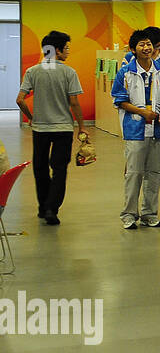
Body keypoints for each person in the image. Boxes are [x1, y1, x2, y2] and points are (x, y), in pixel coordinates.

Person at [15, 31, 86, 225]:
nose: (68, 52)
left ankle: (42, 207)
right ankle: (51, 209)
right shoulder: (69, 72)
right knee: (59, 168)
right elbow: (74, 102)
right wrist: (81, 126)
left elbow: (20, 100)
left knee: (40, 168)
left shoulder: (33, 71)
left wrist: (31, 118)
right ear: (57, 50)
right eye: (67, 48)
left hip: (40, 129)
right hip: (63, 128)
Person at [111, 29, 160, 229]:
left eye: (149, 44)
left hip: (157, 129)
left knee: (154, 173)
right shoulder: (125, 72)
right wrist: (142, 113)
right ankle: (129, 214)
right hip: (135, 131)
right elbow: (120, 100)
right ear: (133, 49)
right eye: (141, 44)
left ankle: (150, 213)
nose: (146, 48)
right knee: (134, 173)